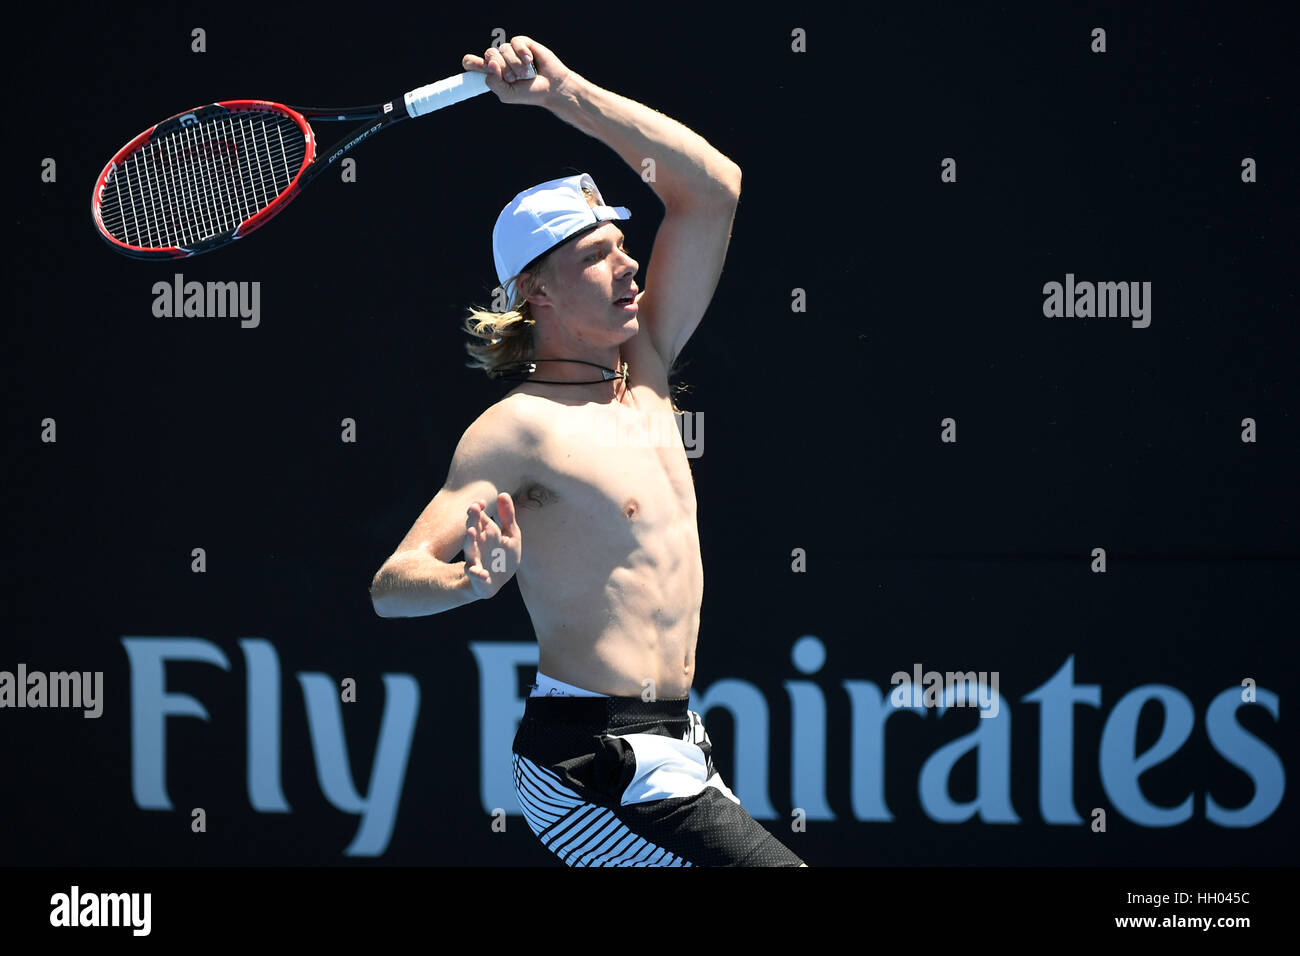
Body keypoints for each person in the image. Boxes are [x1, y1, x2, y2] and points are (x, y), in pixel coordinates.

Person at [370, 35, 804, 866]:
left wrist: (563, 93)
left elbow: (712, 191)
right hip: (590, 765)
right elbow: (393, 587)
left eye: (623, 242)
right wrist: (468, 580)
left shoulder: (645, 371)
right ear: (535, 290)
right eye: (596, 252)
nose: (629, 262)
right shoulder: (517, 428)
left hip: (676, 750)